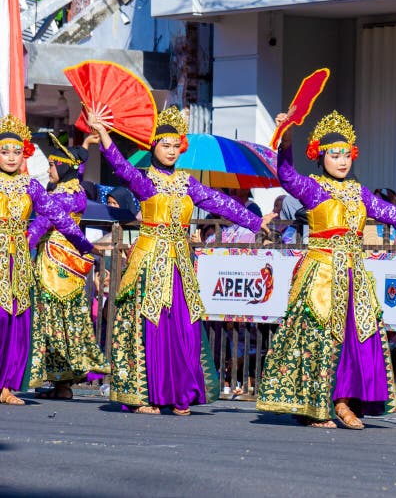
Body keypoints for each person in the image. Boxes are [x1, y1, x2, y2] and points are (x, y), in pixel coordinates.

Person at [257, 110, 396, 429]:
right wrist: (287, 142)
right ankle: (315, 407)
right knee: (319, 339)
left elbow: (393, 214)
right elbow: (286, 176)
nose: (342, 161)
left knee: (356, 339)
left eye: (346, 154)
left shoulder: (358, 192)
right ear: (320, 156)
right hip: (322, 274)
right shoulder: (313, 188)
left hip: (353, 275)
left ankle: (343, 402)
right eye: (334, 155)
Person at [88, 105, 273, 415]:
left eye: (176, 145)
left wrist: (255, 221)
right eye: (166, 145)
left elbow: (220, 201)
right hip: (150, 263)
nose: (172, 151)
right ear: (153, 146)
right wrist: (104, 133)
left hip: (179, 266)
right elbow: (121, 166)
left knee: (183, 328)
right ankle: (148, 395)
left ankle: (179, 393)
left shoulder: (187, 183)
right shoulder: (146, 180)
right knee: (152, 328)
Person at [0, 115, 94, 406]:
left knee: (16, 320)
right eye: (5, 151)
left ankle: (6, 387)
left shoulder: (31, 186)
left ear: (25, 154)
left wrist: (84, 244)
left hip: (18, 261)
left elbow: (58, 217)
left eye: (17, 151)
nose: (11, 157)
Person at [27, 135, 111, 399]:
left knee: (49, 319)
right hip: (71, 262)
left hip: (53, 262)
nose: (49, 169)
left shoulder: (60, 197)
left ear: (63, 167)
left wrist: (23, 244)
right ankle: (63, 385)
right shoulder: (77, 190)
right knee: (69, 320)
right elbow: (76, 169)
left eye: (53, 164)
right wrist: (84, 148)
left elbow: (41, 224)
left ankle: (55, 379)